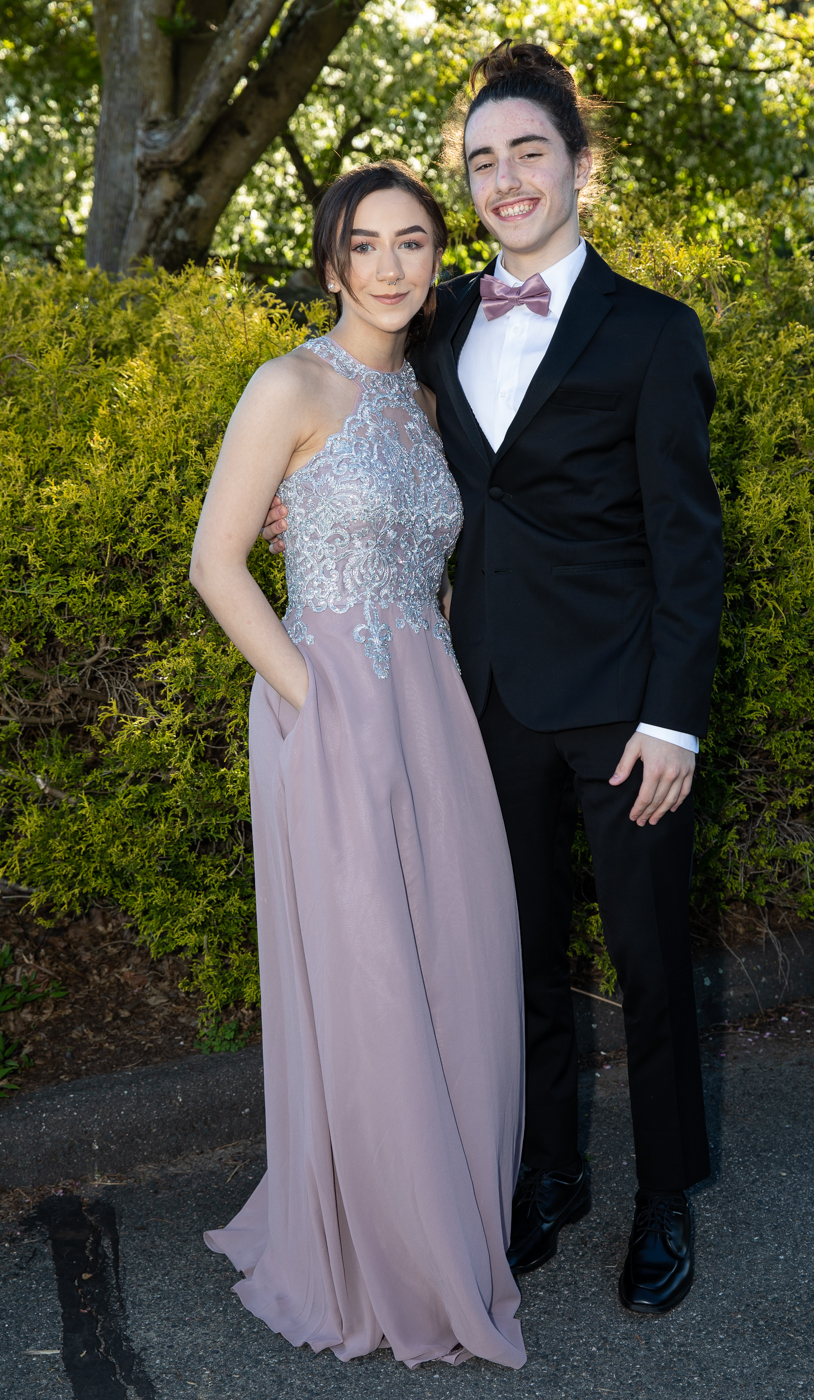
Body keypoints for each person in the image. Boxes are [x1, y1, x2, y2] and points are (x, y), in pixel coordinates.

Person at [264, 42, 724, 1317]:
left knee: (646, 955)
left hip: (627, 708)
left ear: (579, 164)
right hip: (477, 702)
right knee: (508, 957)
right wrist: (293, 508)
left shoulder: (653, 331)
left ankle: (665, 1195)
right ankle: (547, 1170)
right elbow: (369, 436)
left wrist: (675, 715)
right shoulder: (445, 314)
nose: (505, 178)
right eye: (482, 160)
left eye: (529, 153)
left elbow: (691, 542)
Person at [190, 161, 526, 1370]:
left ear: (439, 261)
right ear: (332, 262)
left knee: (452, 960)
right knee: (373, 977)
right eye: (365, 245)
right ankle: (382, 1249)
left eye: (414, 243)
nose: (390, 266)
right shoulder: (287, 384)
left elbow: (432, 565)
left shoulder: (429, 408)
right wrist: (311, 698)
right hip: (325, 707)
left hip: (429, 707)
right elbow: (216, 565)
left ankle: (448, 1221)